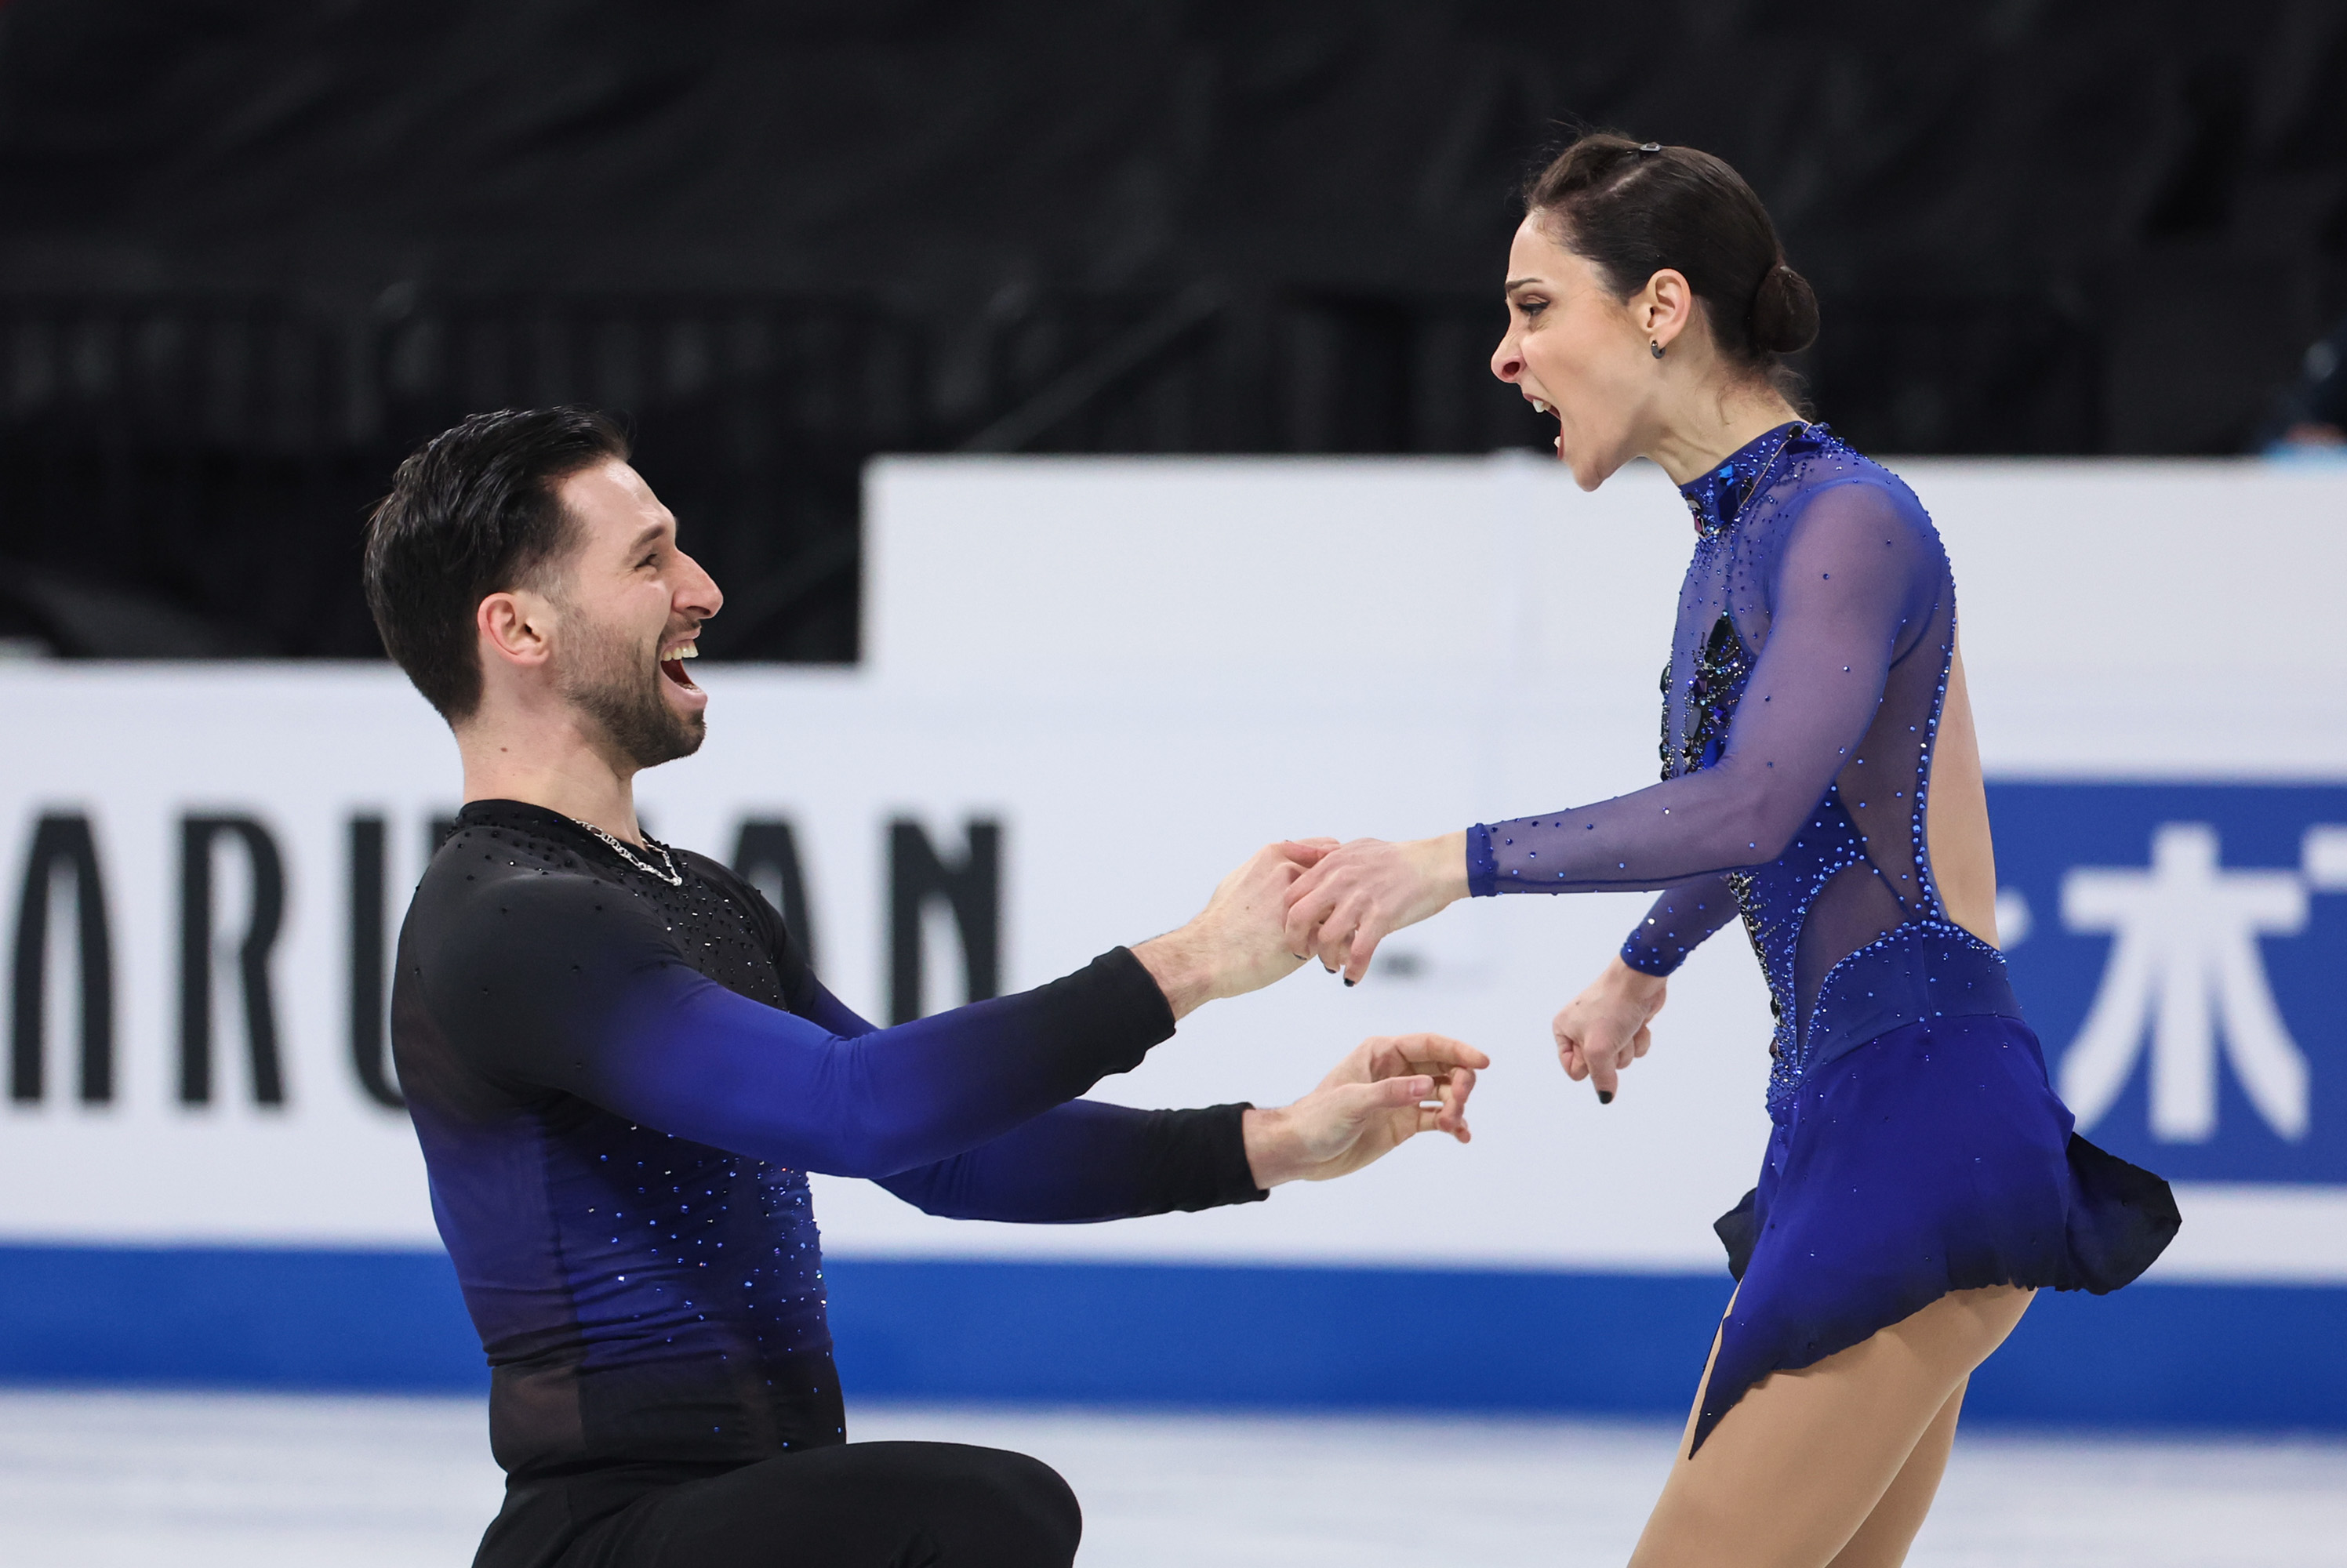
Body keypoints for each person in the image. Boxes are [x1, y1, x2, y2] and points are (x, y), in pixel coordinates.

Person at [361, 407, 1487, 1568]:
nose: (702, 589)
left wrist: (1274, 1142)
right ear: (519, 629)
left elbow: (940, 1155)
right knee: (977, 1513)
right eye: (648, 559)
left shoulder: (689, 895)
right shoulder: (512, 924)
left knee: (966, 1511)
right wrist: (1195, 962)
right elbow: (857, 1111)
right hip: (608, 1538)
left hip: (739, 1519)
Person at [1280, 135, 2179, 1568]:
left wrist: (1442, 859)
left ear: (1659, 307)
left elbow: (1755, 800)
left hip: (1919, 1119)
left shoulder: (1844, 521)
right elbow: (1785, 803)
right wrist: (1645, 960)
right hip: (1857, 1121)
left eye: (1531, 308)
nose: (1504, 357)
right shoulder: (1739, 538)